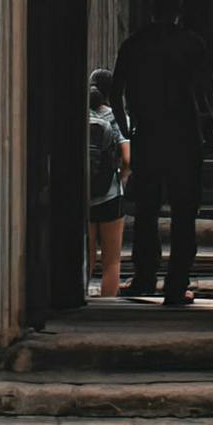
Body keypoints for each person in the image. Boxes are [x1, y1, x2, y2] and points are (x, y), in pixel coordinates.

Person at [115, 0, 213, 309]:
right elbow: (209, 90)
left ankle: (145, 277)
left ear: (151, 10)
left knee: (147, 211)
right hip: (184, 136)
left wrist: (125, 127)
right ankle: (176, 286)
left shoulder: (134, 45)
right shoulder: (191, 44)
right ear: (178, 11)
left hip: (147, 133)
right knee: (184, 212)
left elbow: (115, 92)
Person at [79, 74, 135, 303]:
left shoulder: (80, 116)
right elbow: (128, 157)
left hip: (84, 195)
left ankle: (81, 298)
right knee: (111, 259)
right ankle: (108, 303)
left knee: (87, 255)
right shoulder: (116, 118)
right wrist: (123, 176)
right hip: (110, 194)